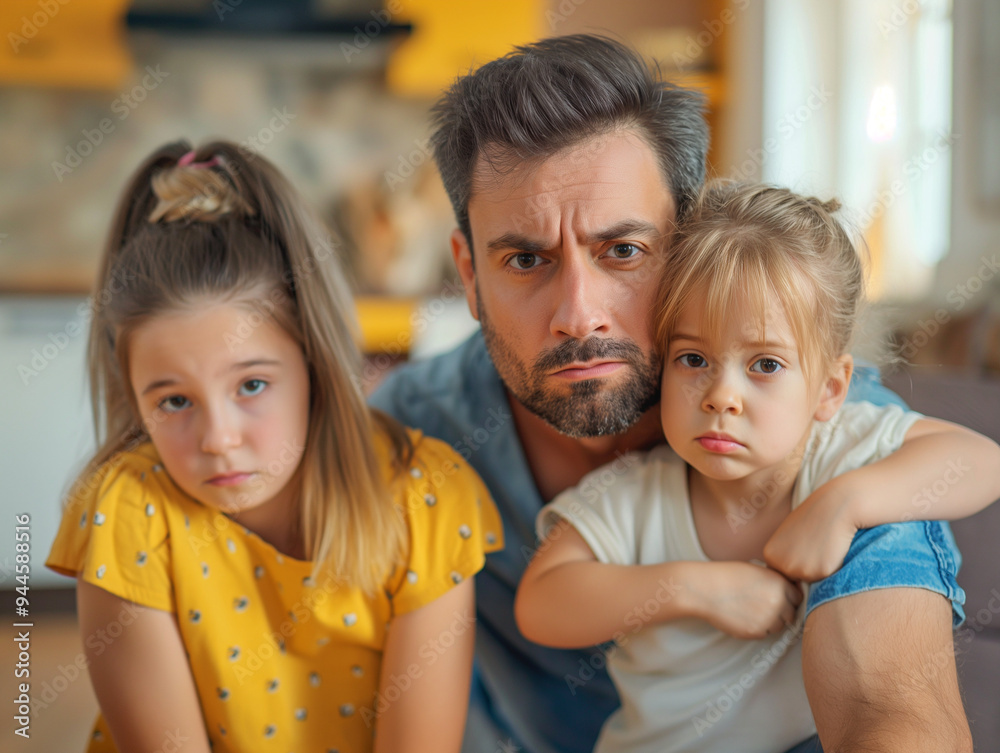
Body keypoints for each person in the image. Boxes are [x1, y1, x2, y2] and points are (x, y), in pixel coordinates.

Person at [370, 35, 978, 753]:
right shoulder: (410, 435)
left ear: (688, 245)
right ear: (470, 274)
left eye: (623, 251)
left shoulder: (823, 428)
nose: (579, 315)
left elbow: (890, 704)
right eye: (526, 259)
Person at [45, 140, 503, 753]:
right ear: (132, 394)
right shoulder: (124, 513)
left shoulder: (427, 501)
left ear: (315, 362)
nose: (218, 439)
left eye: (252, 385)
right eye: (174, 401)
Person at [514, 181, 1000, 752]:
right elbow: (540, 604)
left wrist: (844, 503)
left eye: (765, 364)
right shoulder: (637, 493)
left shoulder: (839, 449)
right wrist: (698, 589)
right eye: (693, 358)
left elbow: (983, 461)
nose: (722, 396)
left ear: (830, 388)